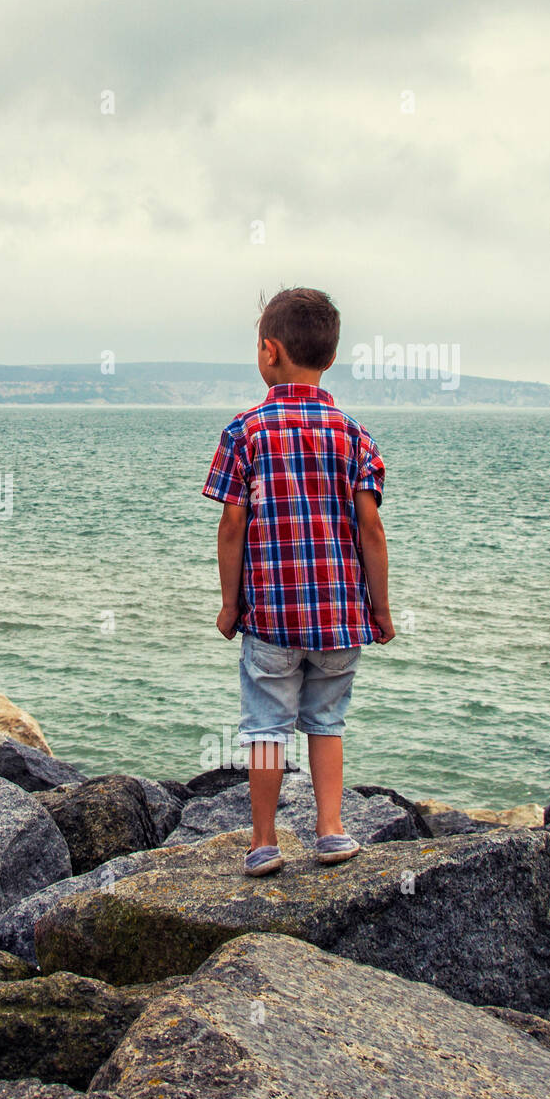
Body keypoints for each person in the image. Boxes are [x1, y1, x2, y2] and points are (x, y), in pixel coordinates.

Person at [202, 287, 394, 877]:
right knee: (327, 722)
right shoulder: (353, 434)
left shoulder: (246, 431)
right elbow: (371, 531)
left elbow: (233, 525)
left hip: (271, 618)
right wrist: (381, 612)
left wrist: (230, 605)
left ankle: (263, 841)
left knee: (265, 727)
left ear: (268, 351)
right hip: (339, 615)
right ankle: (331, 830)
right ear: (329, 358)